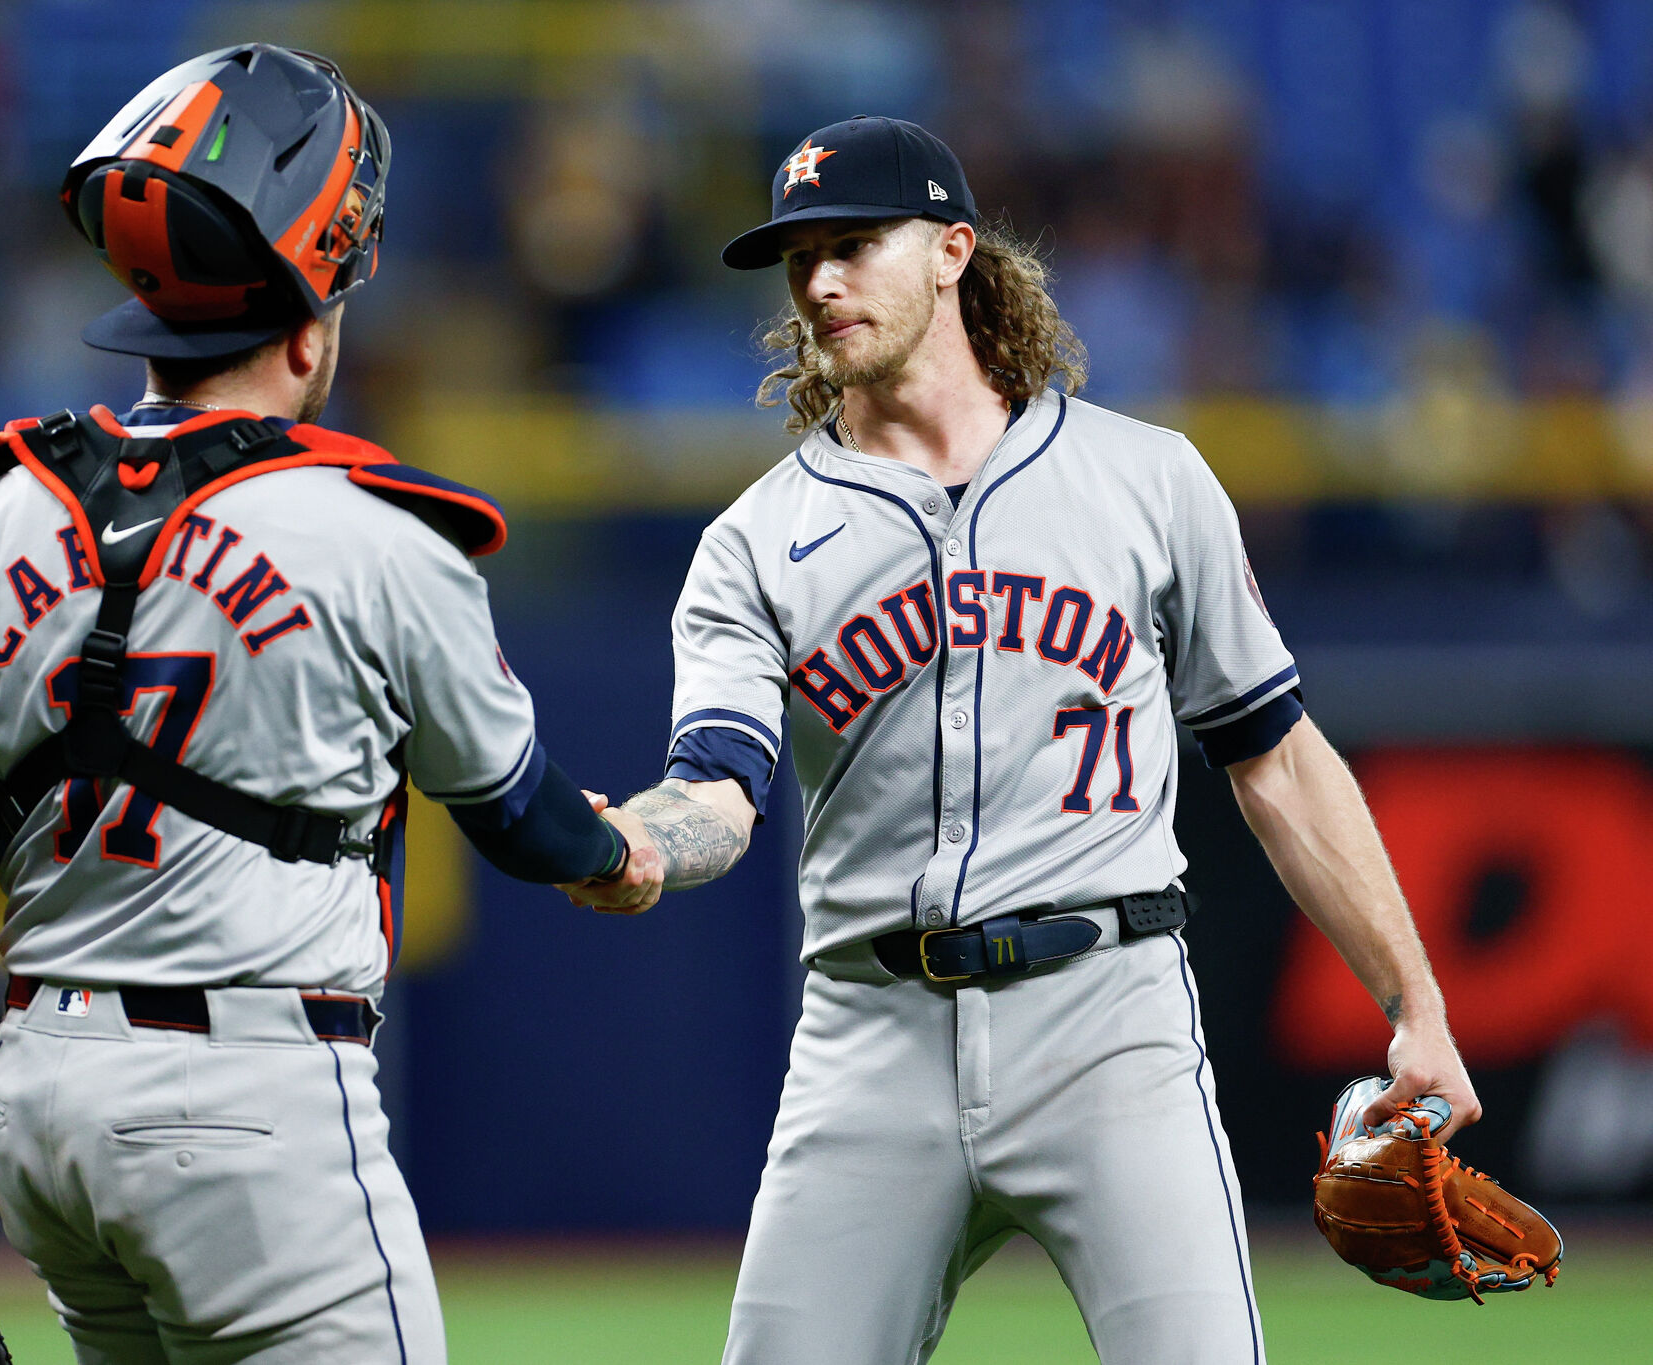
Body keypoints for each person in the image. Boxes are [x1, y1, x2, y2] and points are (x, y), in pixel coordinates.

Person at [560, 115, 1482, 1363]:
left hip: (1107, 1022)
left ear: (951, 249)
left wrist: (1413, 1003)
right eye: (798, 259)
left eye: (853, 244)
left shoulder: (1145, 481)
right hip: (869, 1041)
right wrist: (642, 847)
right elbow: (717, 786)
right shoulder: (750, 544)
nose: (820, 280)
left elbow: (1274, 755)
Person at [0, 45, 648, 1364]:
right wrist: (625, 854)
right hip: (248, 1099)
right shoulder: (376, 535)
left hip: (41, 1107)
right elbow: (518, 816)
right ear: (316, 307)